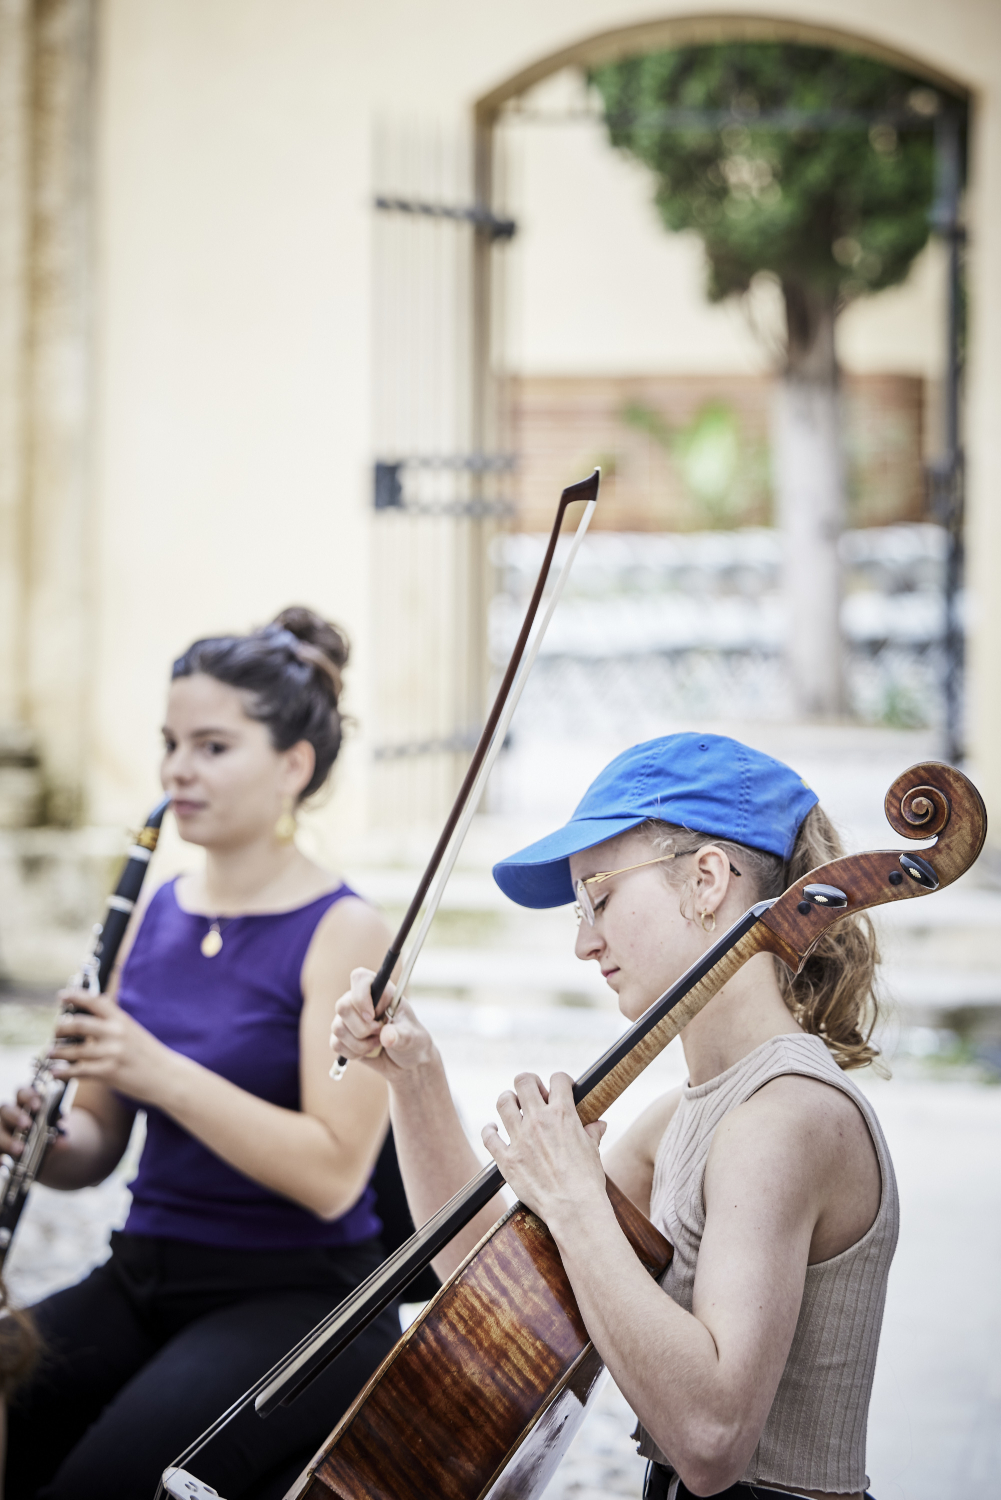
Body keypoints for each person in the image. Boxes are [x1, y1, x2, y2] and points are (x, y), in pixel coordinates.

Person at [332, 733, 896, 1500]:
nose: (581, 941)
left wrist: (573, 1200)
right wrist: (414, 1079)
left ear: (705, 881)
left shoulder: (784, 1118)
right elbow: (500, 1295)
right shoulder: (680, 1118)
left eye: (598, 898)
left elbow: (709, 1442)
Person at [0, 607, 401, 1500]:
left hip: (297, 1301)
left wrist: (155, 1068)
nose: (178, 768)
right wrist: (44, 1144)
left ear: (293, 766)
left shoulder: (346, 930)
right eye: (170, 743)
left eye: (212, 747)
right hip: (143, 1270)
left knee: (102, 1484)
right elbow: (98, 1146)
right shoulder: (154, 911)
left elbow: (334, 1174)